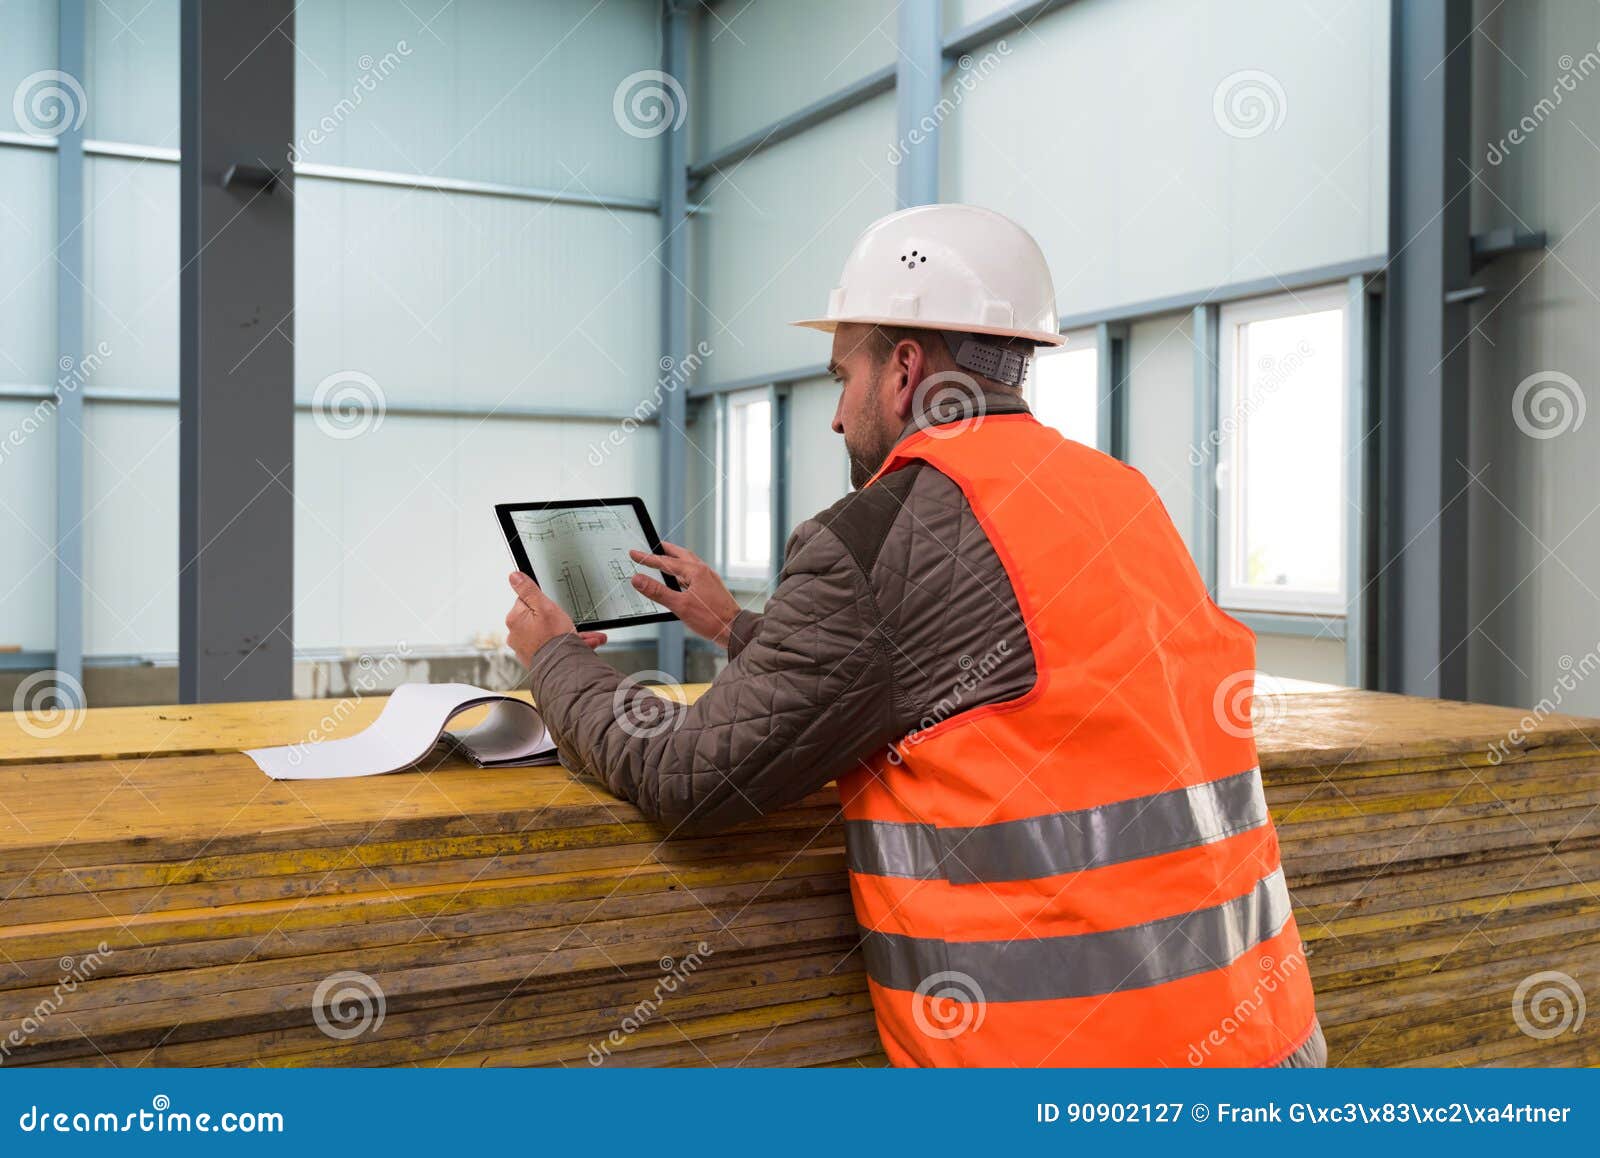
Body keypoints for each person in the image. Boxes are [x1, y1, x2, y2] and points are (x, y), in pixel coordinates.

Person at [503, 204, 1325, 1068]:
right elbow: (980, 676)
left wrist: (553, 658)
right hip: (1267, 1033)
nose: (834, 417)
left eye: (840, 377)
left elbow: (688, 775)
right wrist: (737, 627)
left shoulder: (879, 533)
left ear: (903, 371)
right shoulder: (1118, 492)